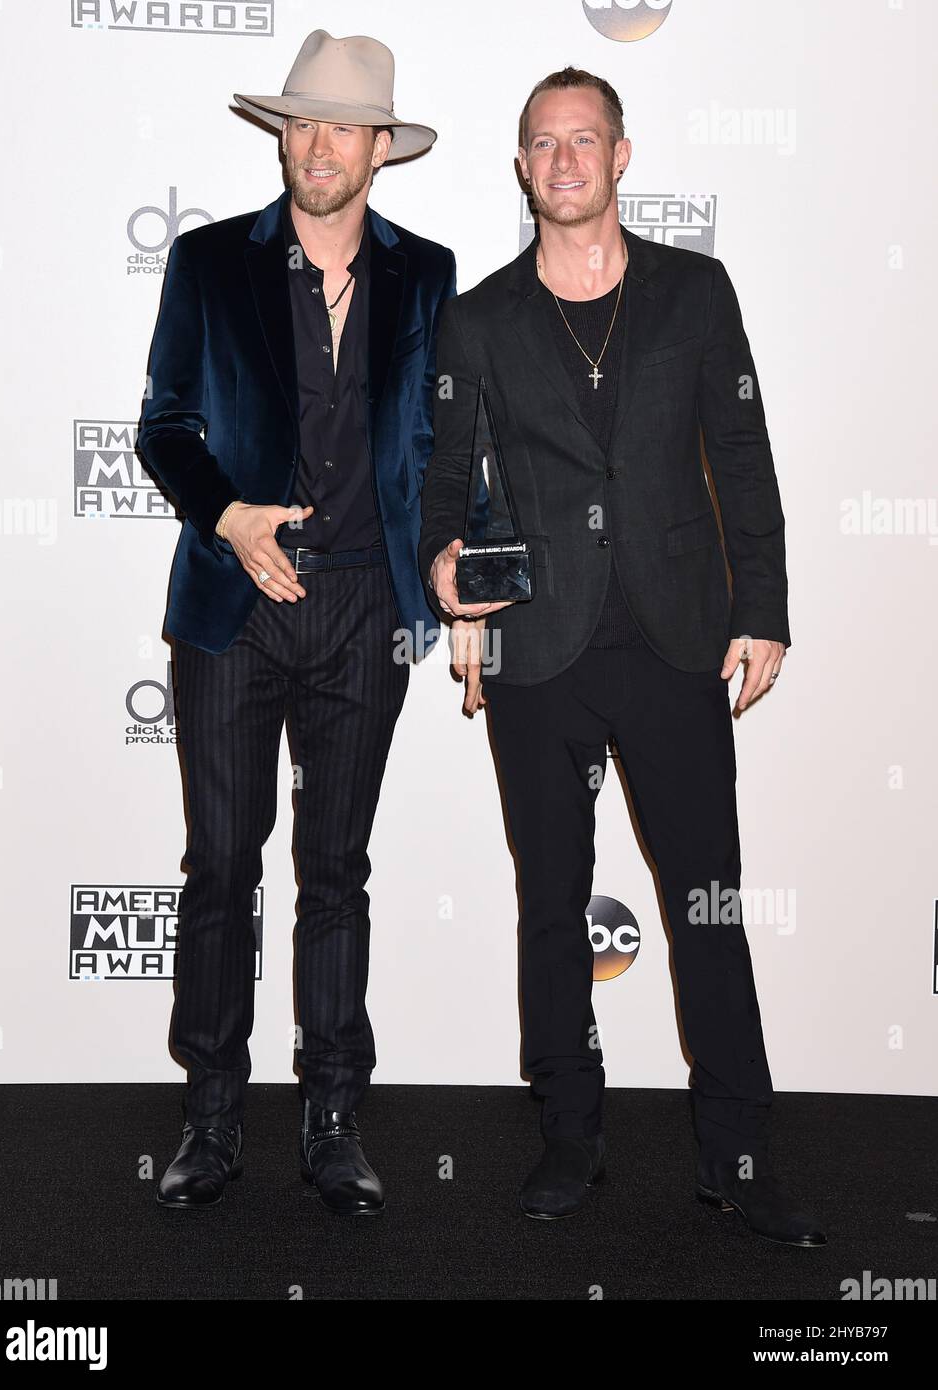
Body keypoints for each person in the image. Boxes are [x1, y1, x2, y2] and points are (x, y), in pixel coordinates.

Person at [419, 67, 825, 1244]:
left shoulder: (696, 295)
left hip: (673, 635)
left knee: (706, 903)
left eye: (581, 140)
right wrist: (449, 570)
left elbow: (742, 458)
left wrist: (766, 609)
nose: (562, 161)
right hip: (538, 648)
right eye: (540, 144)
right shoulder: (480, 319)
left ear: (621, 154)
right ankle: (567, 1134)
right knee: (550, 903)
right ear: (519, 166)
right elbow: (447, 478)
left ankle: (737, 1152)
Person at [137, 29, 456, 1214]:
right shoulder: (212, 263)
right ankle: (211, 1115)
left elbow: (440, 444)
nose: (319, 146)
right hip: (233, 607)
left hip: (366, 606)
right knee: (221, 865)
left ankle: (331, 1116)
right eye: (302, 122)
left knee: (336, 871)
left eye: (344, 127)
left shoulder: (426, 275)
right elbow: (163, 424)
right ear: (285, 134)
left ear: (381, 148)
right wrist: (229, 519)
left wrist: (451, 567)